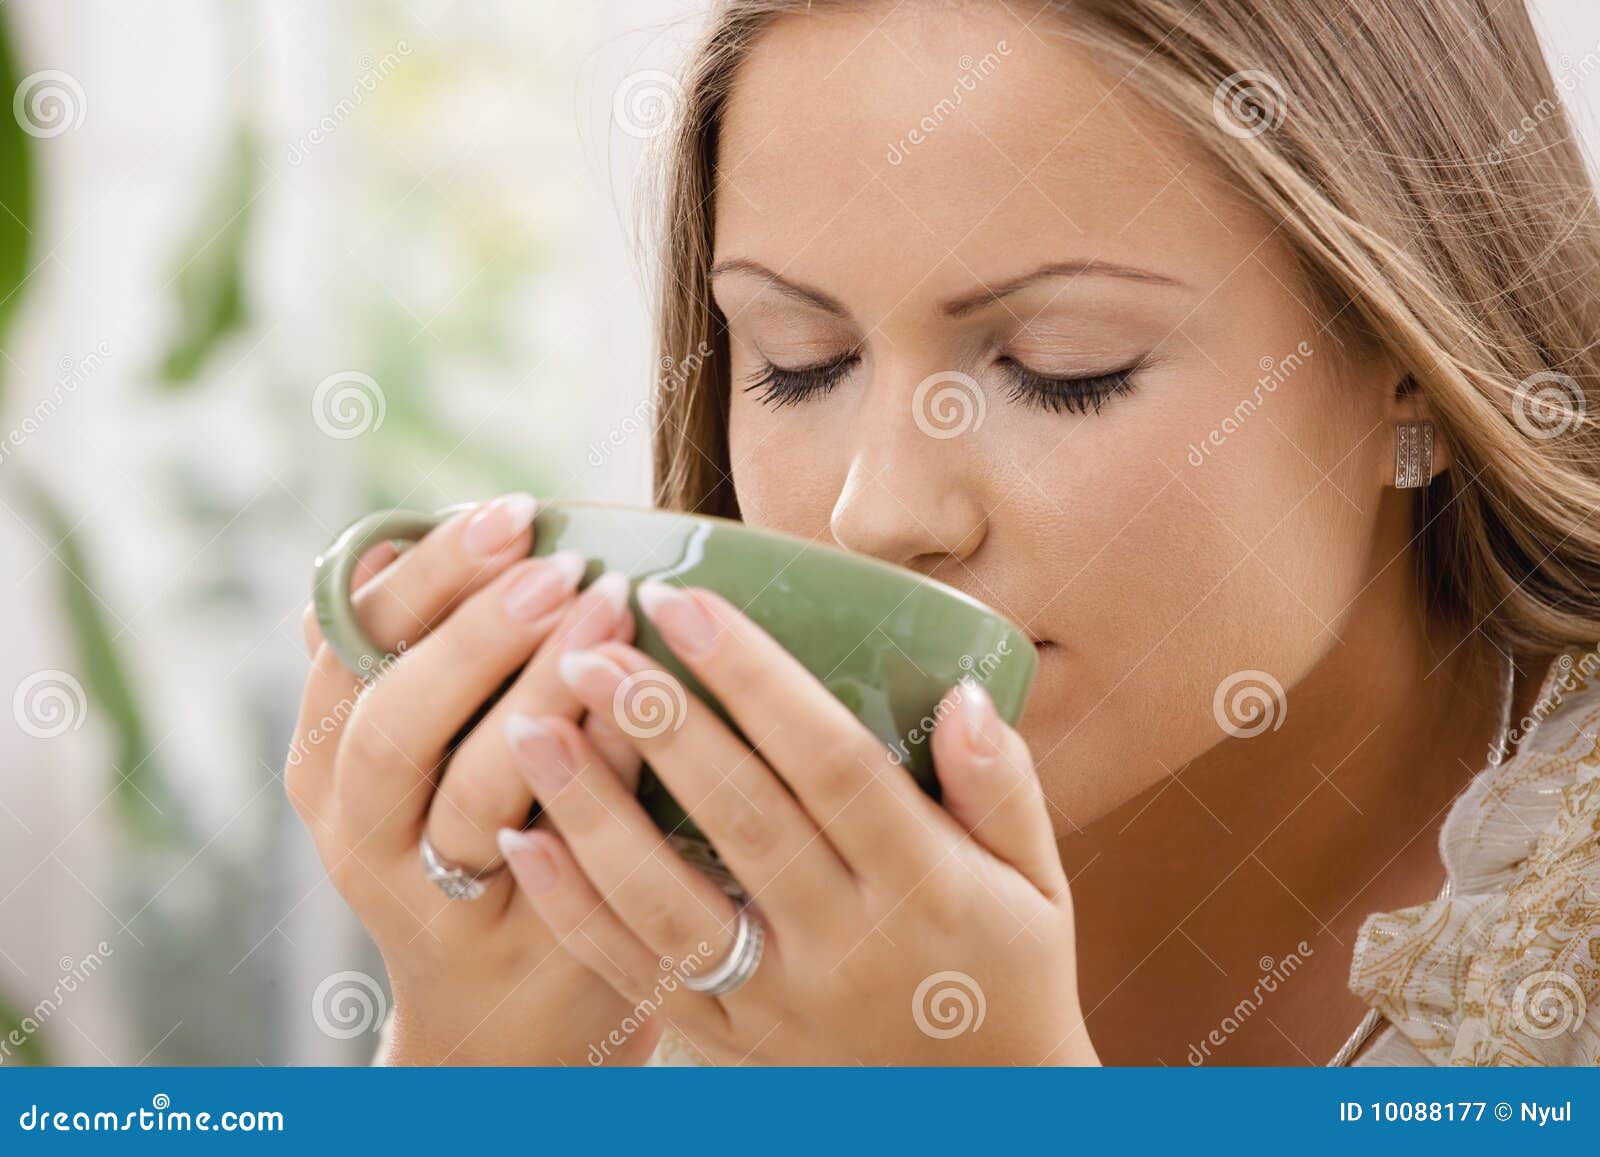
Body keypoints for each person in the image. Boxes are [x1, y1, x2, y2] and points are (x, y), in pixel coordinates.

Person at [287, 0, 1600, 1066]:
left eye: (1059, 366)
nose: (879, 511)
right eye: (800, 363)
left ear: (1409, 356)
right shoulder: (688, 905)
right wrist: (474, 1059)